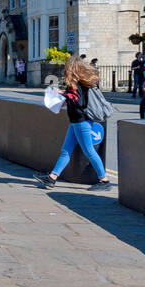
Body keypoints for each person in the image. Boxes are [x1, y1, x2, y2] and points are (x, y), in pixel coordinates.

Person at [38, 57, 111, 190]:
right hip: (75, 122)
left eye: (67, 67)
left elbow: (79, 103)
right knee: (65, 151)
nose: (65, 70)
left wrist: (64, 95)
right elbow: (74, 100)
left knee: (89, 151)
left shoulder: (80, 85)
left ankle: (104, 180)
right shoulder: (77, 84)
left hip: (81, 122)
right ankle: (52, 178)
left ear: (72, 69)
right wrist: (62, 94)